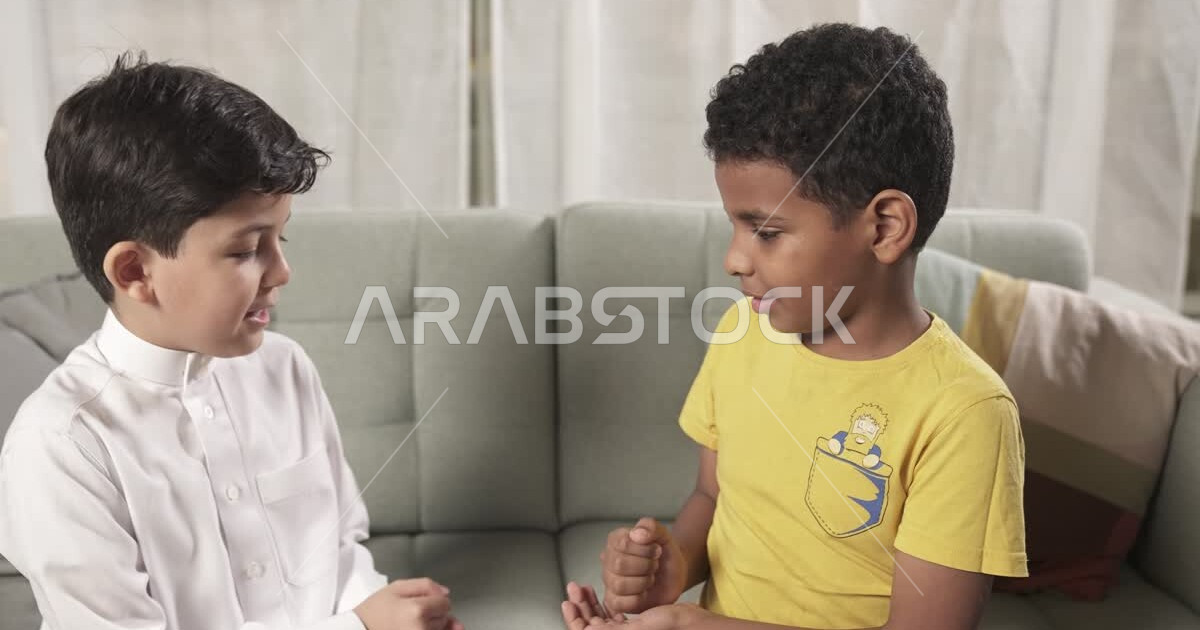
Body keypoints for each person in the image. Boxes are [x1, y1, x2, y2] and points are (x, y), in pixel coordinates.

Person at [562, 23, 1027, 630]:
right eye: (733, 225)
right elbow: (711, 497)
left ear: (884, 228)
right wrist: (672, 568)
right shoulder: (741, 331)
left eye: (767, 231)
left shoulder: (965, 412)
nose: (734, 258)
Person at [0, 53, 462, 630]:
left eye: (281, 237)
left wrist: (384, 611)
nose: (282, 270)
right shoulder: (61, 447)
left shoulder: (285, 369)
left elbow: (341, 548)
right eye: (245, 250)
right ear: (135, 273)